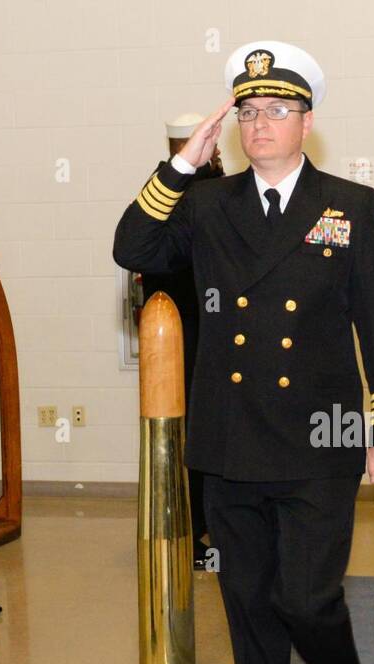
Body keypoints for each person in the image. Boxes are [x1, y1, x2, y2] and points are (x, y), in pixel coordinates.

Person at [112, 41, 374, 664]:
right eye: (246, 112)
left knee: (307, 600)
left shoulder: (351, 205)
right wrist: (180, 167)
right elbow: (131, 249)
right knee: (248, 610)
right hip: (231, 441)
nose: (260, 124)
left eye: (277, 110)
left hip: (321, 437)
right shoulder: (208, 206)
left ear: (307, 121)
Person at [136, 114, 226, 569]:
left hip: (205, 331)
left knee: (205, 435)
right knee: (185, 436)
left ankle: (207, 526)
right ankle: (191, 533)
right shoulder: (173, 192)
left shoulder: (203, 186)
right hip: (186, 333)